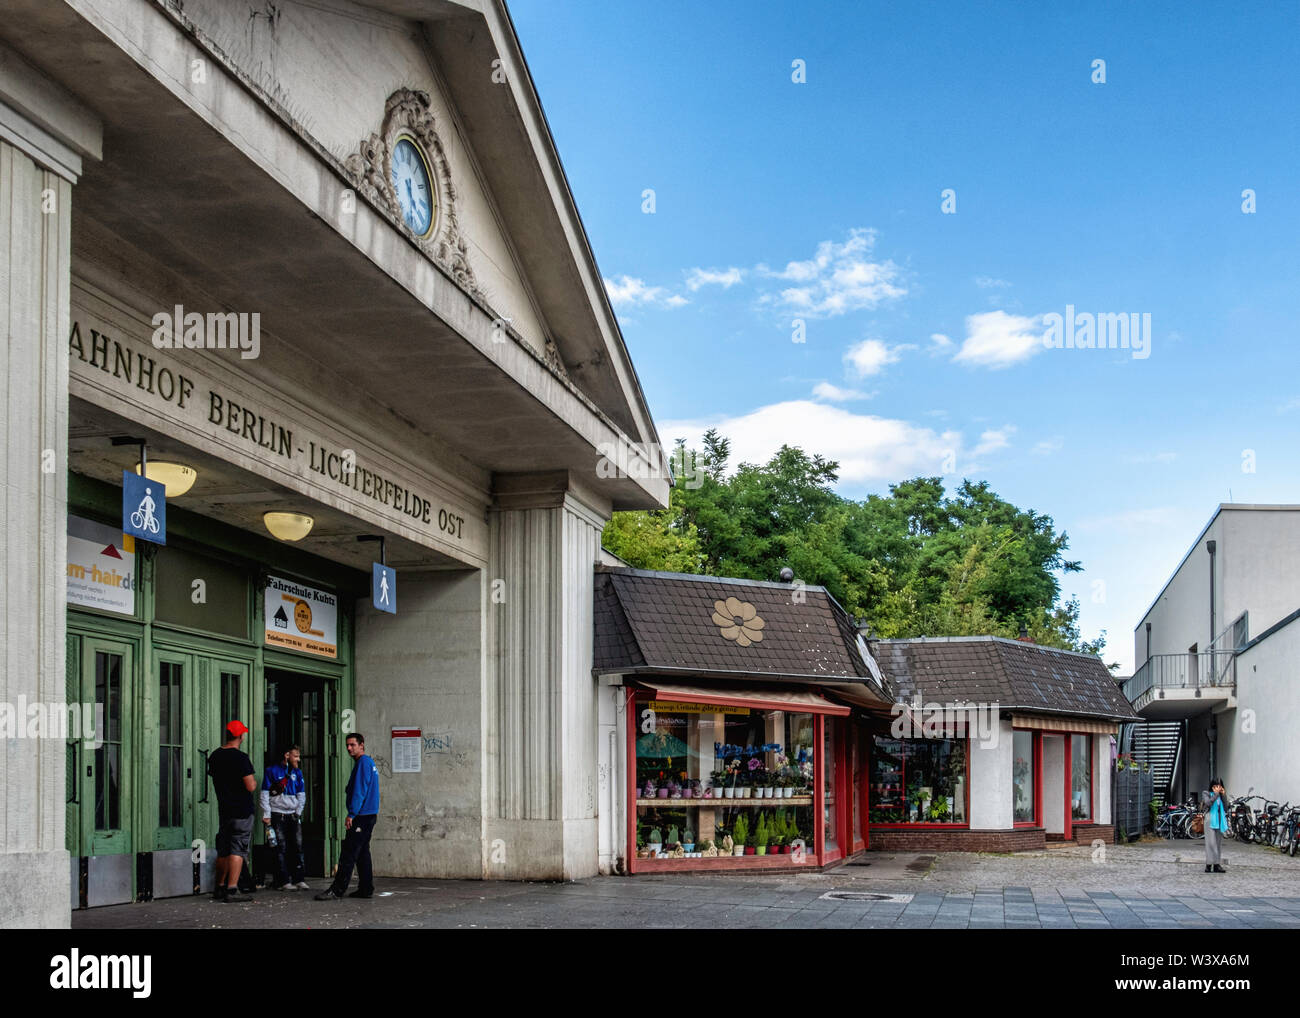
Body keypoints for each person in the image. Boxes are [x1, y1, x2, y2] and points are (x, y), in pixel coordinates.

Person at [315, 733, 380, 901]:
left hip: (361, 815)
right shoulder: (368, 763)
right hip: (369, 815)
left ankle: (337, 890)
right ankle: (366, 888)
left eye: (352, 745)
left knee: (349, 853)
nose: (349, 748)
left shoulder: (363, 763)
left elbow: (359, 791)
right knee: (363, 853)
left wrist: (351, 814)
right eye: (348, 745)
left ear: (362, 745)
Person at [207, 720, 258, 902]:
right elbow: (250, 786)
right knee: (238, 849)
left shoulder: (214, 756)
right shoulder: (241, 758)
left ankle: (219, 887)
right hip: (242, 810)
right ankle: (232, 889)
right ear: (241, 736)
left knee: (224, 850)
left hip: (224, 809)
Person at [261, 744, 309, 890]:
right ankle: (283, 880)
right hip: (277, 813)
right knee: (280, 847)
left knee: (297, 846)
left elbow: (302, 794)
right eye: (296, 756)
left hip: (292, 814)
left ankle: (298, 878)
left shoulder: (298, 773)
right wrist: (267, 814)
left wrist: (298, 812)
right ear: (287, 755)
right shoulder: (271, 771)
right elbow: (264, 793)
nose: (298, 759)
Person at [1204, 777, 1229, 873]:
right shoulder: (1206, 793)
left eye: (1219, 786)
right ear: (1212, 786)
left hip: (1220, 818)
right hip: (1210, 818)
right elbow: (1208, 803)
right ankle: (1208, 864)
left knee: (1218, 842)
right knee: (1211, 843)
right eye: (1216, 786)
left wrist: (1223, 795)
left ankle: (1216, 865)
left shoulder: (1221, 795)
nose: (1217, 787)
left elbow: (1226, 808)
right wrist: (1215, 794)